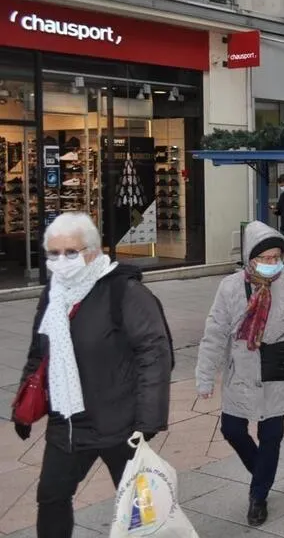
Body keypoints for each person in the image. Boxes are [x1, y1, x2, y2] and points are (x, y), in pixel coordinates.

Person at [15, 213, 173, 538]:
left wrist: (148, 421)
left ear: (93, 251)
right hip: (67, 422)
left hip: (120, 423)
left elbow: (155, 354)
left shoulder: (124, 292)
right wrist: (23, 407)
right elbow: (39, 352)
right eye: (54, 253)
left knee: (139, 509)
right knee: (52, 497)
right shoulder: (53, 294)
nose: (62, 261)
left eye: (71, 252)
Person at [195, 221, 284, 527]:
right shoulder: (230, 286)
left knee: (271, 435)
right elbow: (215, 332)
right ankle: (263, 472)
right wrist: (205, 375)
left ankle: (258, 496)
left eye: (276, 257)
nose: (271, 264)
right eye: (264, 258)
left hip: (279, 368)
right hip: (242, 368)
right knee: (232, 429)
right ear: (251, 259)